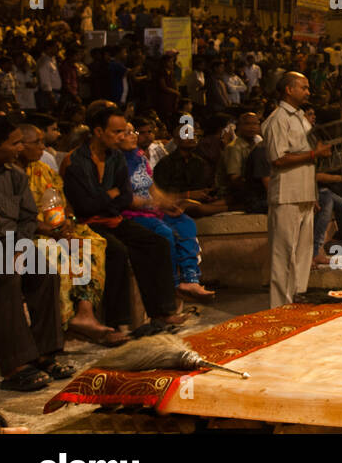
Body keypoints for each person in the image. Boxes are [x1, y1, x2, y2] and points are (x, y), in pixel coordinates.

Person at [63, 103, 182, 330]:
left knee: (156, 243)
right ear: (98, 132)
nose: (121, 137)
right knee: (116, 251)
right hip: (87, 223)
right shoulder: (76, 160)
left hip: (112, 218)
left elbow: (125, 196)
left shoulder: (116, 158)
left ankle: (162, 312)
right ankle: (120, 324)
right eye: (116, 132)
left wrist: (105, 196)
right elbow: (84, 205)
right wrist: (109, 195)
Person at [17, 123, 123, 346]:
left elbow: (62, 202)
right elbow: (18, 218)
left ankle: (85, 311)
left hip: (54, 227)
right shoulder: (12, 175)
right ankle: (67, 319)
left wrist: (68, 221)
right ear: (19, 146)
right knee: (56, 250)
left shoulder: (42, 169)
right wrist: (49, 230)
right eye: (36, 142)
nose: (42, 146)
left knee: (88, 243)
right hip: (30, 233)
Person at [0, 119, 73, 392]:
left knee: (45, 273)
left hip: (11, 242)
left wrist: (17, 247)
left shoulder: (15, 175)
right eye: (14, 143)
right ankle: (15, 366)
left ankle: (43, 353)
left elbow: (26, 218)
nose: (20, 147)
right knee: (6, 275)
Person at [119, 122, 213, 301]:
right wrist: (153, 204)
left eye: (133, 131)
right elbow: (126, 199)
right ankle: (173, 284)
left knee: (185, 223)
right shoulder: (116, 161)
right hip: (133, 214)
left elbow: (153, 189)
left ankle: (191, 279)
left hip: (152, 209)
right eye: (127, 132)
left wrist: (167, 203)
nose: (133, 135)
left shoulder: (139, 157)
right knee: (165, 233)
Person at [261, 72, 330, 307]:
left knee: (302, 250)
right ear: (289, 90)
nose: (308, 92)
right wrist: (314, 154)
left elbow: (307, 154)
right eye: (304, 87)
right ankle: (280, 303)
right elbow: (278, 159)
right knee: (283, 252)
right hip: (286, 194)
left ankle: (298, 294)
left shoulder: (301, 117)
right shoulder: (278, 118)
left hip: (304, 191)